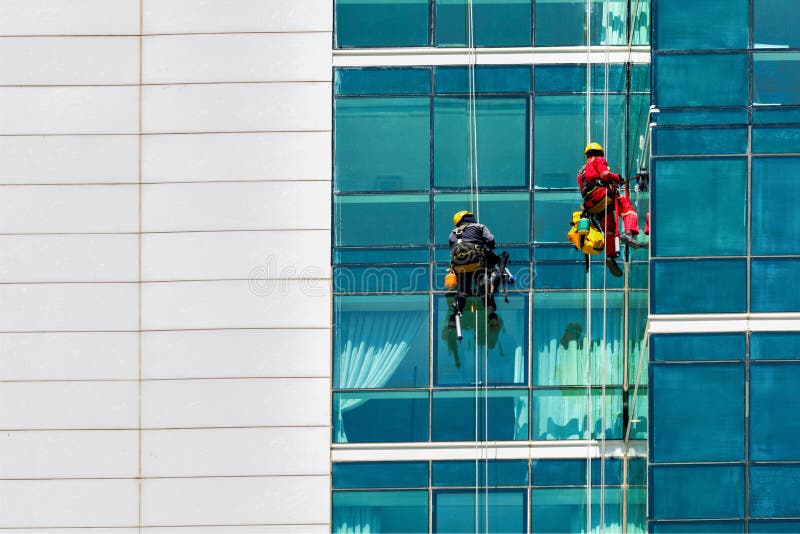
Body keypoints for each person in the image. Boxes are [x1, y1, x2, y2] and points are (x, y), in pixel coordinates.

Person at [578, 142, 645, 277]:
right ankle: (629, 232)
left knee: (609, 229)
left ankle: (610, 257)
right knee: (627, 209)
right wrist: (617, 178)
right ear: (599, 153)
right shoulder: (598, 160)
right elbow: (604, 175)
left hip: (593, 205)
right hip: (602, 195)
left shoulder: (581, 172)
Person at [447, 210, 503, 329]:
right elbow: (491, 242)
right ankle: (491, 315)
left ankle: (453, 316)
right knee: (484, 289)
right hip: (478, 264)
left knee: (462, 292)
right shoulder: (480, 227)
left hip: (460, 267)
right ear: (471, 217)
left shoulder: (452, 234)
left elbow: (452, 251)